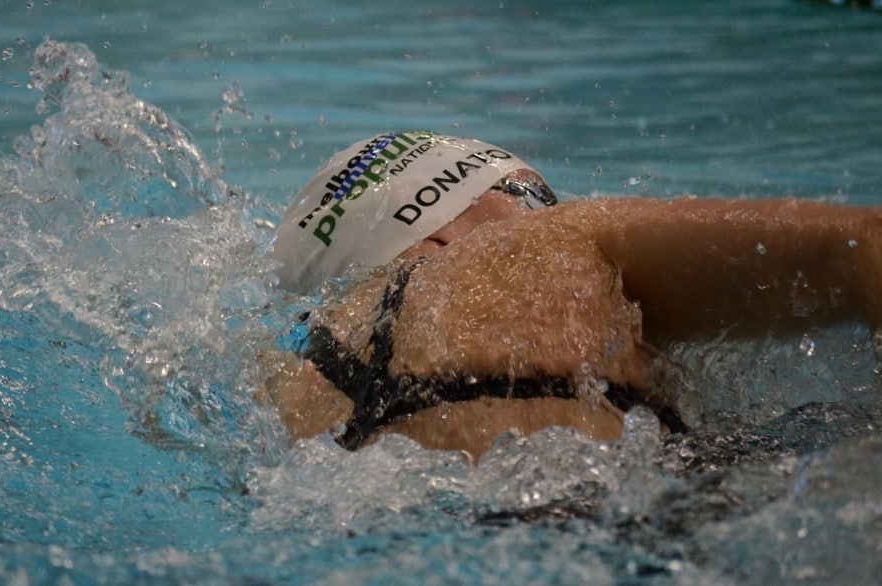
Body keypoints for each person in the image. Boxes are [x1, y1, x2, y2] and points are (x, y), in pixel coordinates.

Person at [264, 131, 882, 459]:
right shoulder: (556, 240)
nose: (549, 212)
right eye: (533, 196)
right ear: (443, 222)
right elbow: (861, 247)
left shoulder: (290, 381)